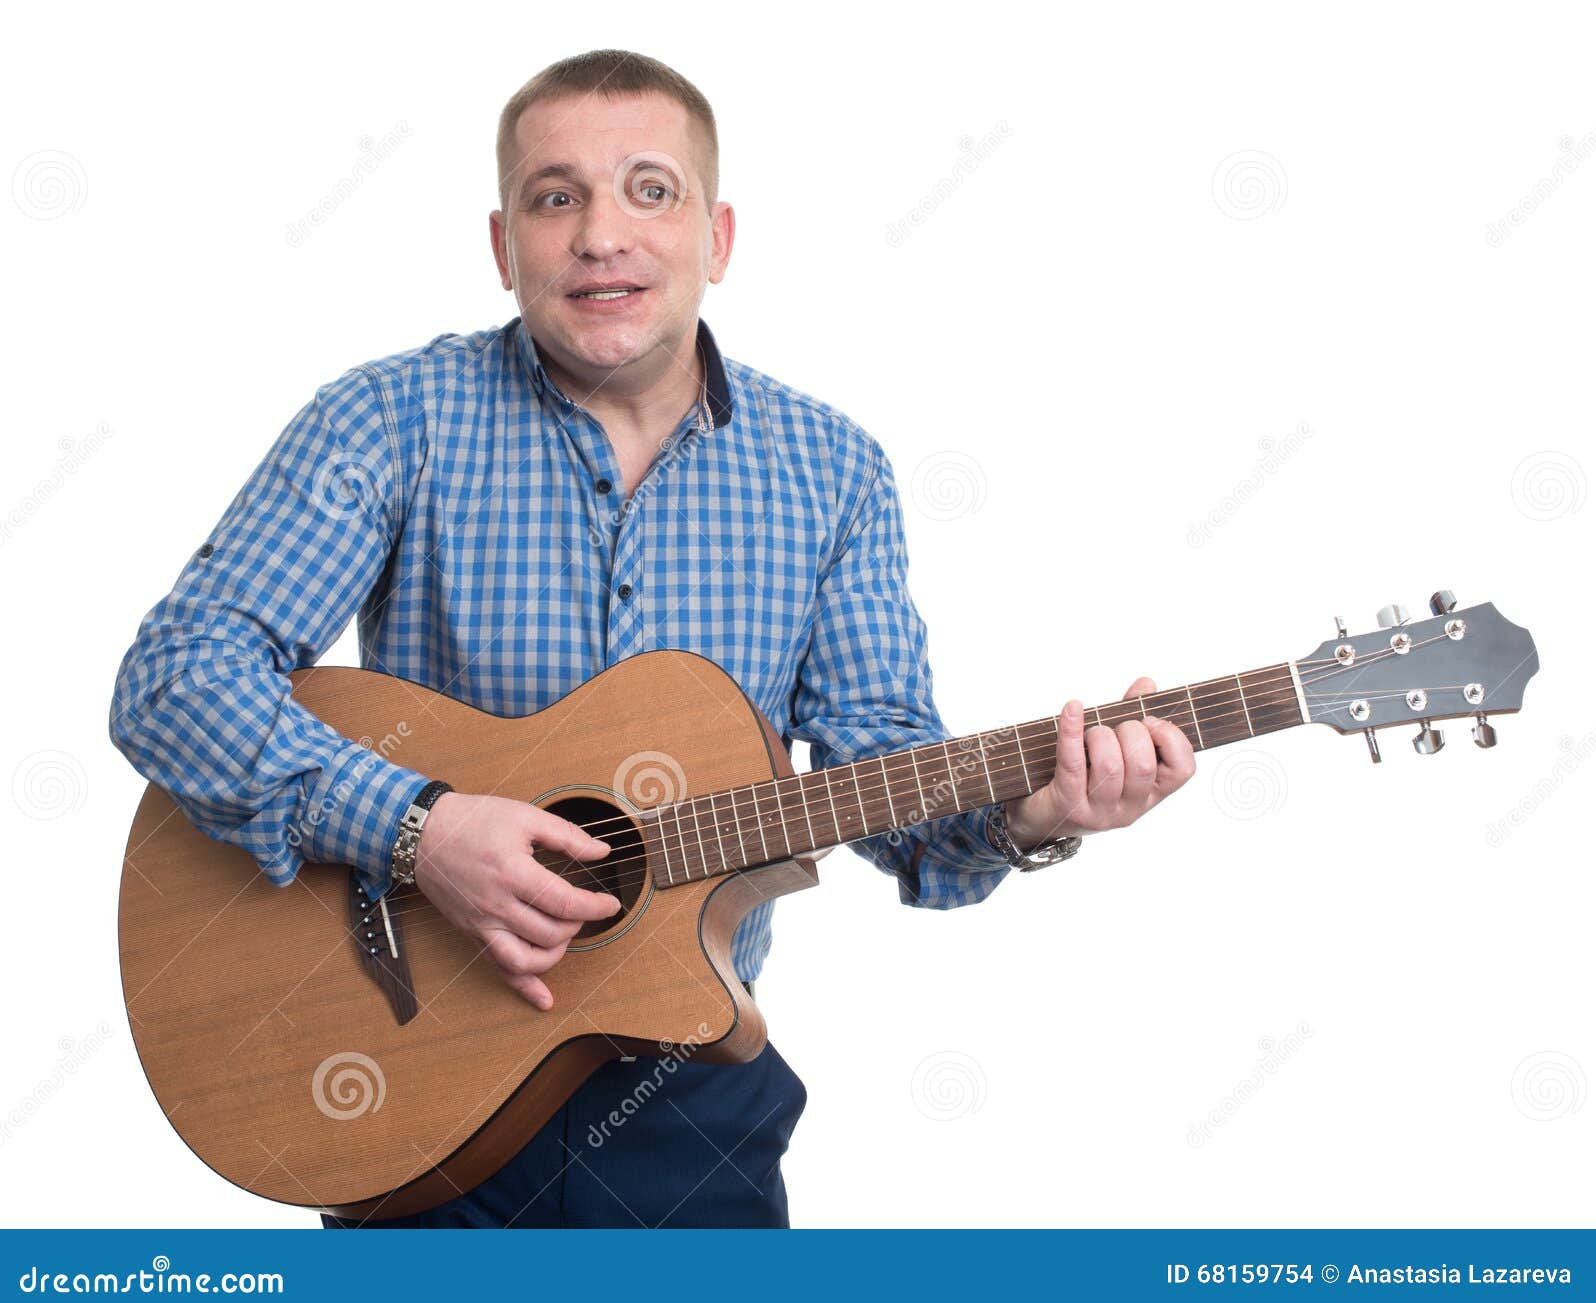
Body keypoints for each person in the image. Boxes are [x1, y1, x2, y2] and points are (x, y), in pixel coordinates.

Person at [109, 49, 1196, 1229]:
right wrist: (419, 830)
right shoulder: (387, 420)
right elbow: (175, 674)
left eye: (650, 190)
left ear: (716, 238)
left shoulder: (832, 470)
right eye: (556, 196)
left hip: (693, 1092)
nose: (600, 236)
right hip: (416, 1079)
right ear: (504, 245)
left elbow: (894, 791)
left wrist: (1033, 811)